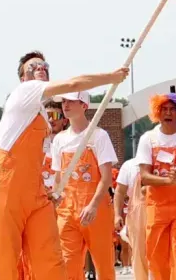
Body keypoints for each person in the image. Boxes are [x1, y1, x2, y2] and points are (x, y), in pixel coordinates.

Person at [0, 51, 127, 280]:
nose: (40, 68)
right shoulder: (24, 92)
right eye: (33, 66)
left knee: (51, 263)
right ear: (22, 77)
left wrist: (48, 190)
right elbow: (73, 82)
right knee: (6, 267)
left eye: (44, 65)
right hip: (6, 191)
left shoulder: (41, 112)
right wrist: (111, 77)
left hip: (36, 195)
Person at [51, 91, 117, 280]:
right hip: (67, 211)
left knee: (104, 267)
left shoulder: (99, 135)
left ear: (84, 106)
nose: (66, 105)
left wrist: (93, 205)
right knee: (68, 266)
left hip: (95, 211)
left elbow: (106, 177)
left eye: (71, 101)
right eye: (63, 101)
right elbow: (58, 178)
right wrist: (55, 202)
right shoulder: (59, 140)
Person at [135, 94, 176, 280]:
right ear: (156, 113)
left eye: (172, 109)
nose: (168, 113)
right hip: (157, 207)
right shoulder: (148, 138)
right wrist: (167, 181)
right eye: (164, 109)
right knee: (156, 256)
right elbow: (144, 176)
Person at [113, 156, 146, 280]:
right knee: (138, 253)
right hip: (136, 213)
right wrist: (117, 215)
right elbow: (119, 191)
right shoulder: (130, 165)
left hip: (160, 210)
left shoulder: (160, 161)